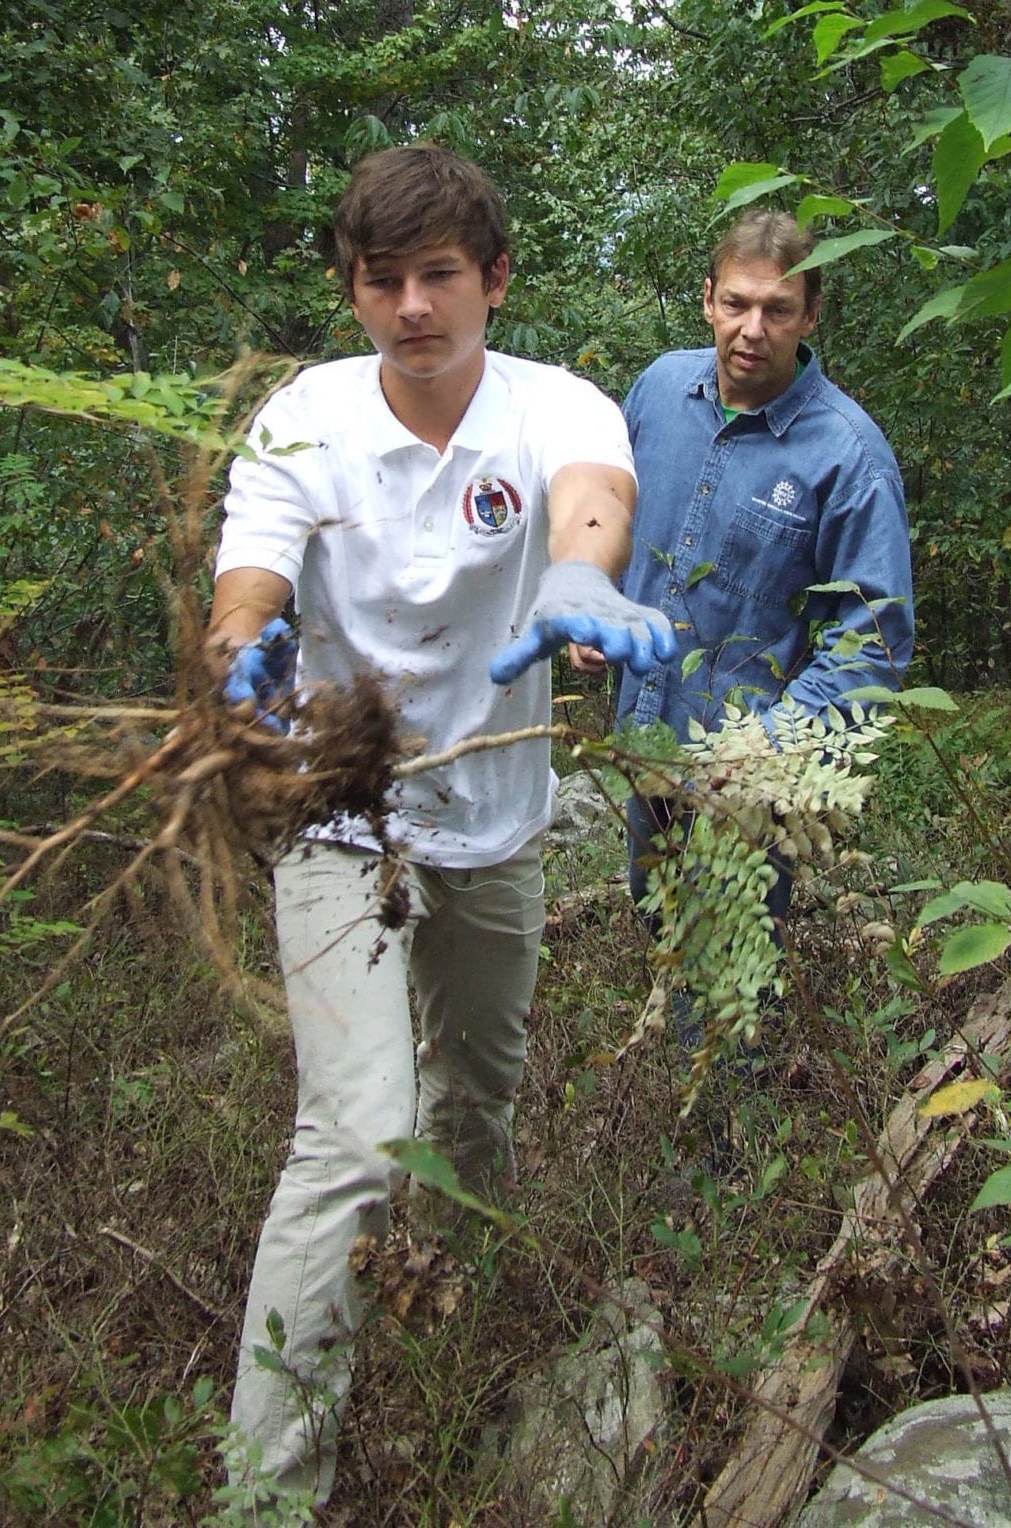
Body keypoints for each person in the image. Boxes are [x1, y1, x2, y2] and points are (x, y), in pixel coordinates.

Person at [208, 143, 674, 1505]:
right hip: (338, 806)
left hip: (496, 816)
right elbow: (253, 560)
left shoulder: (554, 406)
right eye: (381, 280)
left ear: (494, 281)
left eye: (438, 276)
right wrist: (245, 634)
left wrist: (583, 576)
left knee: (479, 1098)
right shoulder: (307, 414)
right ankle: (268, 1485)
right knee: (354, 1134)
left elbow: (594, 497)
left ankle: (446, 1337)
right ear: (351, 291)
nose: (412, 306)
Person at [576, 210, 914, 945]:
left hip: (749, 781)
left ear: (811, 315)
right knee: (660, 944)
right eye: (736, 304)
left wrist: (761, 748)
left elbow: (875, 645)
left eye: (777, 309)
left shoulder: (848, 456)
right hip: (646, 745)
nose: (752, 328)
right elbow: (610, 511)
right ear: (708, 299)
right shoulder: (659, 392)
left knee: (725, 995)